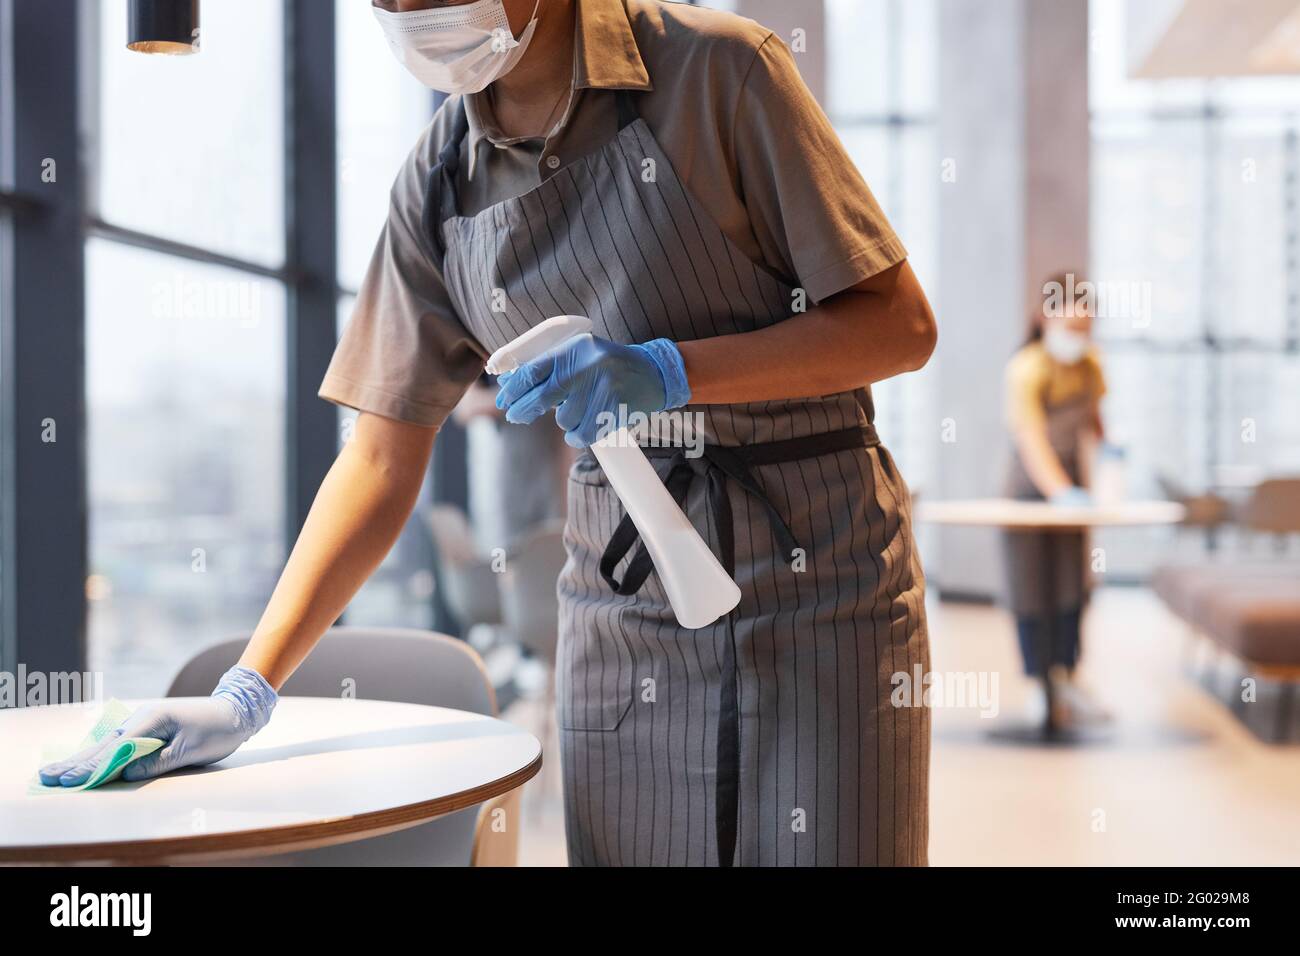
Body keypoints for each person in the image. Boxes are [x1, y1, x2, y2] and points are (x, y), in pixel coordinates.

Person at [41, 0, 937, 867]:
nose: (411, 9)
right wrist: (247, 687)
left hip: (818, 585)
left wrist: (672, 371)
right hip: (627, 609)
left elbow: (898, 327)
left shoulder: (718, 72)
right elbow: (383, 457)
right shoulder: (435, 190)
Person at [1002, 272, 1108, 726]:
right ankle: (1039, 684)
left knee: (1072, 585)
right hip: (1030, 487)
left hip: (1073, 486)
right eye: (1071, 328)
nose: (1078, 338)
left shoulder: (1090, 366)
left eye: (1086, 330)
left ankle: (1067, 677)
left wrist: (1114, 455)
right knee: (1033, 586)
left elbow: (1096, 420)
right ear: (1046, 317)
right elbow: (1032, 440)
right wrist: (1060, 490)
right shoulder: (1027, 368)